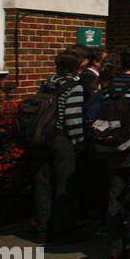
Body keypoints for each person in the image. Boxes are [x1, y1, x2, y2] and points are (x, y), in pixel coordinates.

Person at [91, 46, 130, 259]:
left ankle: (115, 247)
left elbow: (94, 113)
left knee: (115, 195)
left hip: (110, 145)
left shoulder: (108, 86)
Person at [31, 50, 86, 243]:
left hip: (41, 136)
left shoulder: (46, 83)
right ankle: (63, 229)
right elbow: (73, 117)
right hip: (61, 138)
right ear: (75, 67)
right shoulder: (74, 86)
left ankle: (41, 227)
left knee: (43, 182)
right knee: (65, 184)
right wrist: (79, 142)